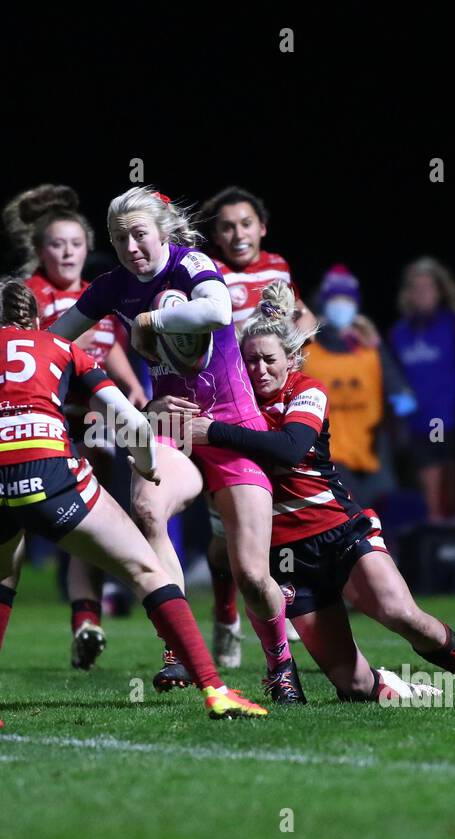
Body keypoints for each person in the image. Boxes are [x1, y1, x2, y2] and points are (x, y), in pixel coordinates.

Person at [0, 278, 267, 725]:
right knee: (145, 569)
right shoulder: (59, 347)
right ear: (35, 320)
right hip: (46, 472)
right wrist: (147, 464)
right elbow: (130, 419)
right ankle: (216, 689)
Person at [188, 282, 455, 699]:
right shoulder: (235, 405)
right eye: (249, 362)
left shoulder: (306, 390)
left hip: (339, 533)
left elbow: (292, 448)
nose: (259, 370)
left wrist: (212, 431)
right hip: (285, 556)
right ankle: (409, 692)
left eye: (269, 360)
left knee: (402, 614)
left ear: (291, 359)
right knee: (353, 686)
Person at [48, 186, 302, 703]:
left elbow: (215, 312)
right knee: (147, 506)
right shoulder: (111, 286)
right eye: (119, 239)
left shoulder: (192, 265)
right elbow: (53, 342)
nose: (130, 247)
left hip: (234, 425)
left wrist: (151, 321)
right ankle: (179, 652)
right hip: (173, 427)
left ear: (163, 231)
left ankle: (280, 666)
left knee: (251, 574)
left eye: (139, 234)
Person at [3, 184, 146, 670]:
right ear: (40, 251)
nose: (66, 252)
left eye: (75, 244)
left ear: (88, 249)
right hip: (40, 428)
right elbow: (8, 354)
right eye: (56, 245)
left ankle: (87, 623)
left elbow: (109, 345)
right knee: (17, 535)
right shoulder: (27, 297)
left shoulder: (96, 292)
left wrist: (130, 384)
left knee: (89, 529)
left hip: (92, 429)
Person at [196, 185, 316, 665]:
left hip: (272, 400)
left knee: (274, 507)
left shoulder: (279, 267)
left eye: (245, 223)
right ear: (217, 236)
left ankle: (281, 601)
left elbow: (300, 319)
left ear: (261, 227)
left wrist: (300, 323)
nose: (237, 233)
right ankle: (226, 614)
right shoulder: (208, 274)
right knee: (226, 530)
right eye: (227, 226)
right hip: (225, 406)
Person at [302, 265, 416, 509]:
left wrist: (402, 401)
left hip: (371, 452)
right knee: (345, 515)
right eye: (335, 299)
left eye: (346, 300)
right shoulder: (307, 348)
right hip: (328, 453)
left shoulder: (371, 347)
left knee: (379, 518)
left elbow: (398, 388)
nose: (341, 306)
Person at [388, 258, 455, 521]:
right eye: (417, 288)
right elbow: (392, 379)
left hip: (453, 421)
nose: (423, 293)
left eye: (428, 287)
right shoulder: (398, 333)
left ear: (439, 291)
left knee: (453, 494)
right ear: (408, 294)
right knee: (430, 499)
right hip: (418, 423)